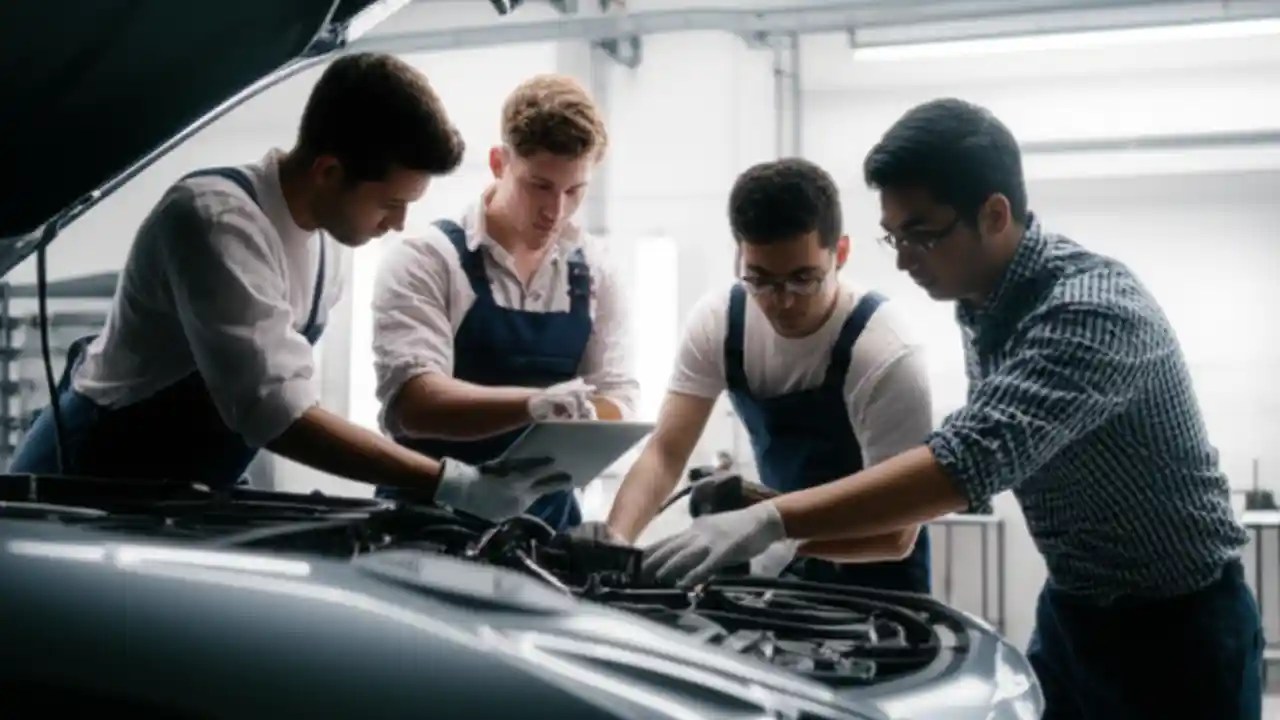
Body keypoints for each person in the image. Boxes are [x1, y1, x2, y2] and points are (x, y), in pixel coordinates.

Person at [640, 98, 1263, 719]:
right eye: (896, 236)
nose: (906, 259)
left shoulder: (1090, 314)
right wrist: (756, 507)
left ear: (994, 215)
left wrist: (772, 519)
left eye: (923, 235)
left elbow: (966, 464)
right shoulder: (982, 301)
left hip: (1182, 627)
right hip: (1075, 610)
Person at [9, 53, 572, 523]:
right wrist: (453, 482)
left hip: (178, 499)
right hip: (84, 486)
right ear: (328, 171)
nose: (398, 224)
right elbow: (275, 412)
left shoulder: (330, 245)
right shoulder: (214, 220)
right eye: (391, 203)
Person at [584, 157, 935, 593]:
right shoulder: (721, 324)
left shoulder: (886, 352)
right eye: (761, 280)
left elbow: (896, 535)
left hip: (880, 584)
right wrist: (618, 543)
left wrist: (770, 527)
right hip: (779, 567)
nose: (782, 301)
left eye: (803, 279)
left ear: (840, 254)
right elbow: (666, 452)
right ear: (739, 258)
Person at [371, 73, 639, 532]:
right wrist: (534, 405)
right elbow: (414, 403)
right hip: (423, 529)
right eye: (539, 185)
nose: (555, 210)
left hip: (541, 533)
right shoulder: (427, 259)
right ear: (499, 162)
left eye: (574, 190)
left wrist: (591, 416)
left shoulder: (597, 271)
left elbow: (619, 396)